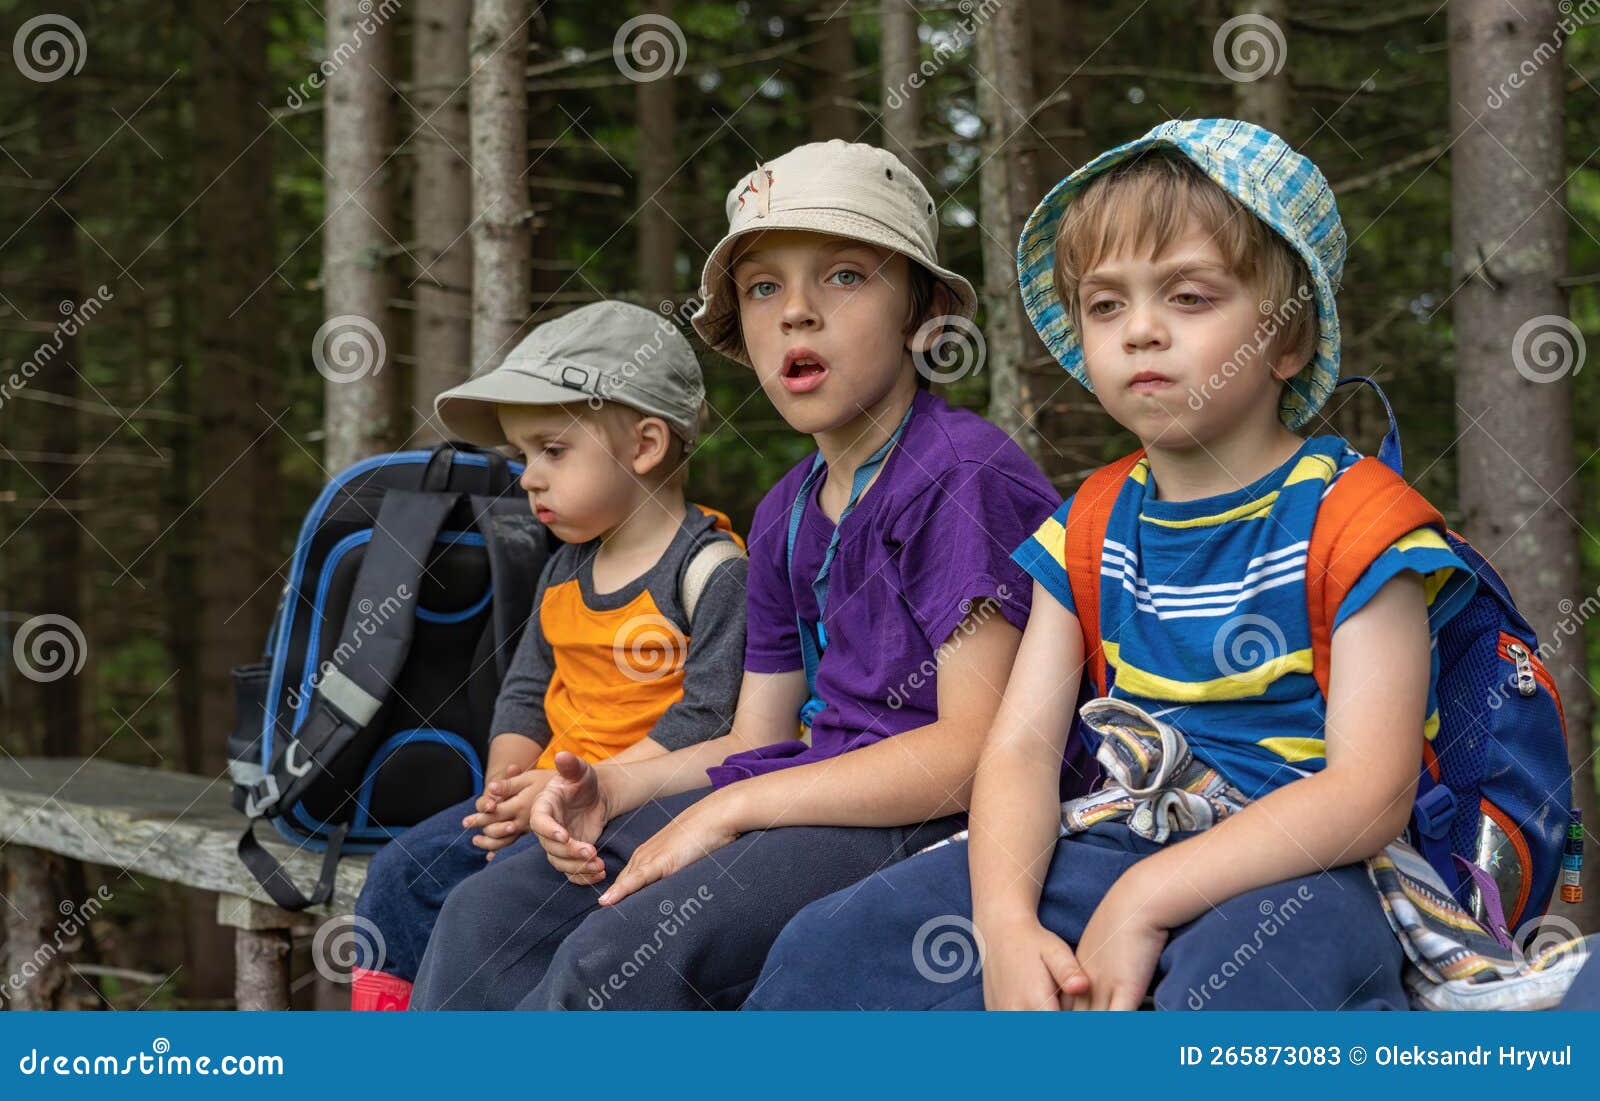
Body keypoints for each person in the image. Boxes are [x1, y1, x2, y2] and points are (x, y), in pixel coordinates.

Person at [745, 118, 1480, 1011]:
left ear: (1286, 341)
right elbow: (1018, 747)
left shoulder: (1358, 517)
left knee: (1249, 987)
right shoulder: (1089, 523)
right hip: (1117, 832)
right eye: (1105, 305)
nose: (1139, 332)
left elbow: (1368, 794)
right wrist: (1006, 919)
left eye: (1189, 297)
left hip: (1306, 862)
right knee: (827, 950)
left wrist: (1145, 898)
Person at [408, 139, 1059, 1010]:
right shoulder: (786, 510)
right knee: (490, 915)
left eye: (844, 276)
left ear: (925, 311)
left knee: (616, 959)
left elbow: (972, 752)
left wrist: (732, 809)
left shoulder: (964, 474)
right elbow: (754, 736)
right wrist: (619, 783)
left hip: (933, 823)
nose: (796, 312)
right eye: (763, 287)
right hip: (806, 791)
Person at [350, 301, 746, 1010]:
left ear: (646, 444)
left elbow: (711, 720)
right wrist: (508, 778)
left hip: (638, 813)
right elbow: (528, 685)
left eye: (552, 451)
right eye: (523, 456)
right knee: (400, 874)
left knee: (489, 912)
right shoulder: (565, 567)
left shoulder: (711, 570)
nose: (529, 476)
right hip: (544, 798)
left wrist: (584, 788)